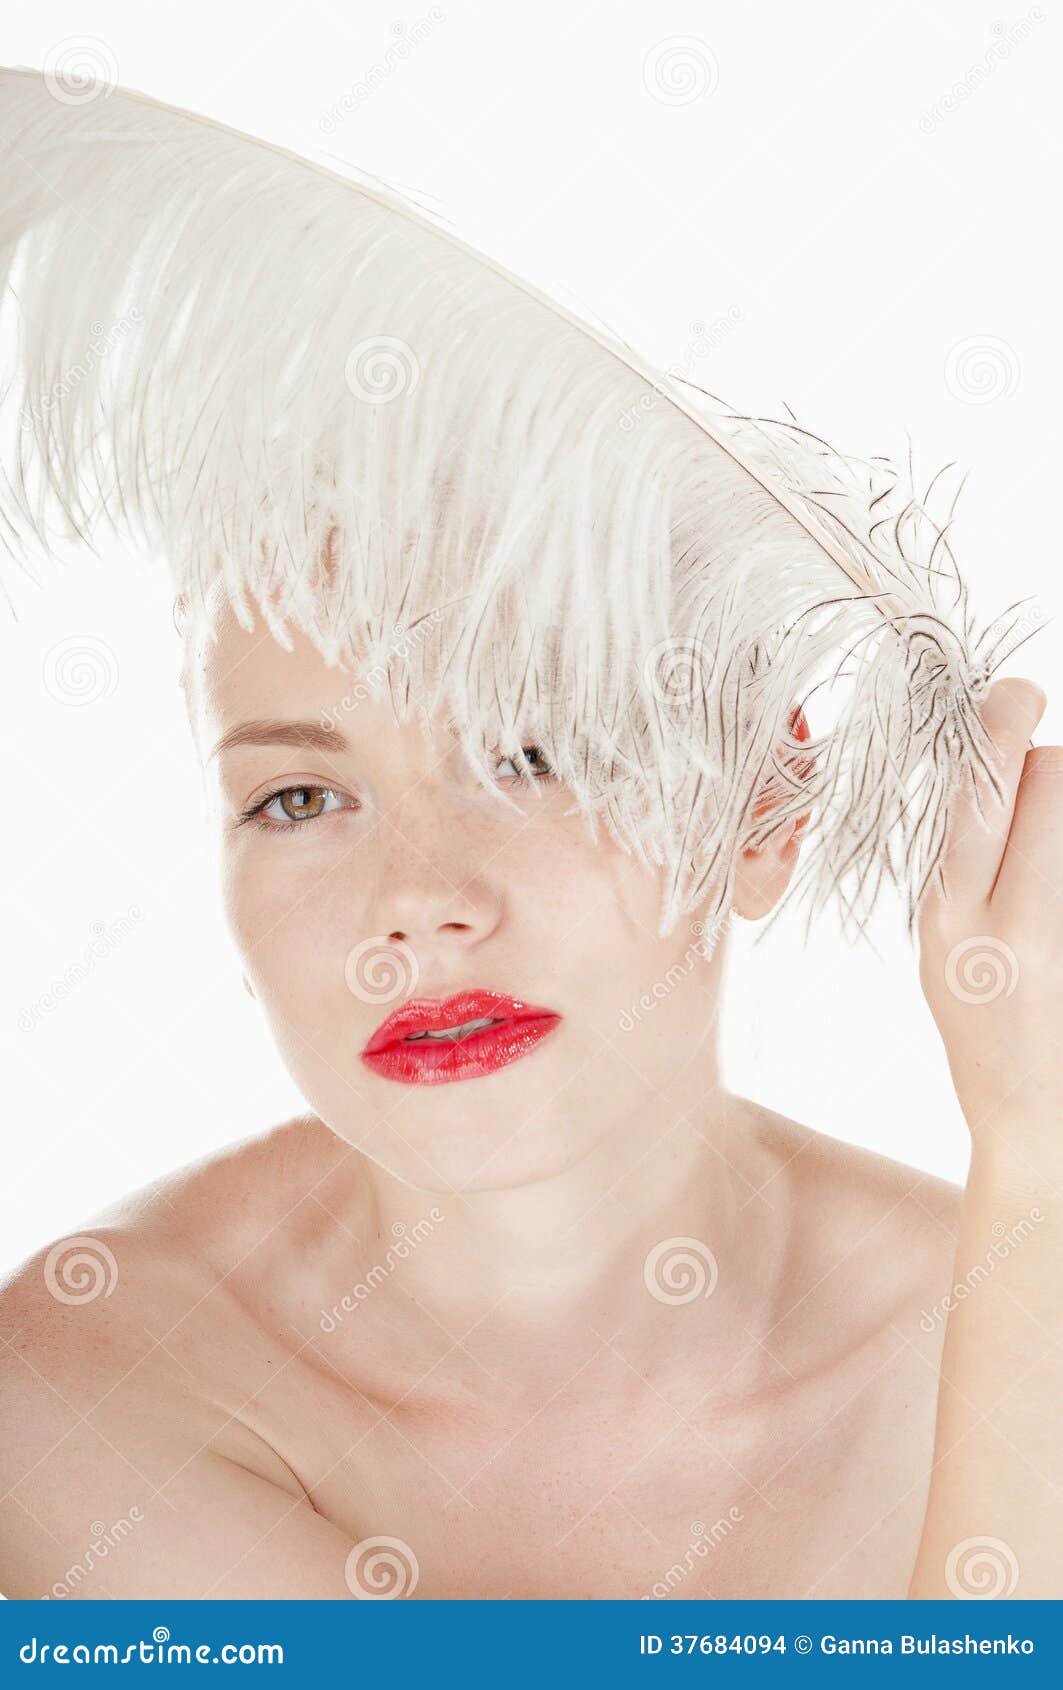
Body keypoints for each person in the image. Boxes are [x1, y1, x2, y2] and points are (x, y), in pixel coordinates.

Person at [0, 67, 1058, 1602]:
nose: (419, 904)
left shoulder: (1012, 1301)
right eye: (299, 797)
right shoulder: (86, 1394)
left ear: (766, 811)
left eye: (533, 754)